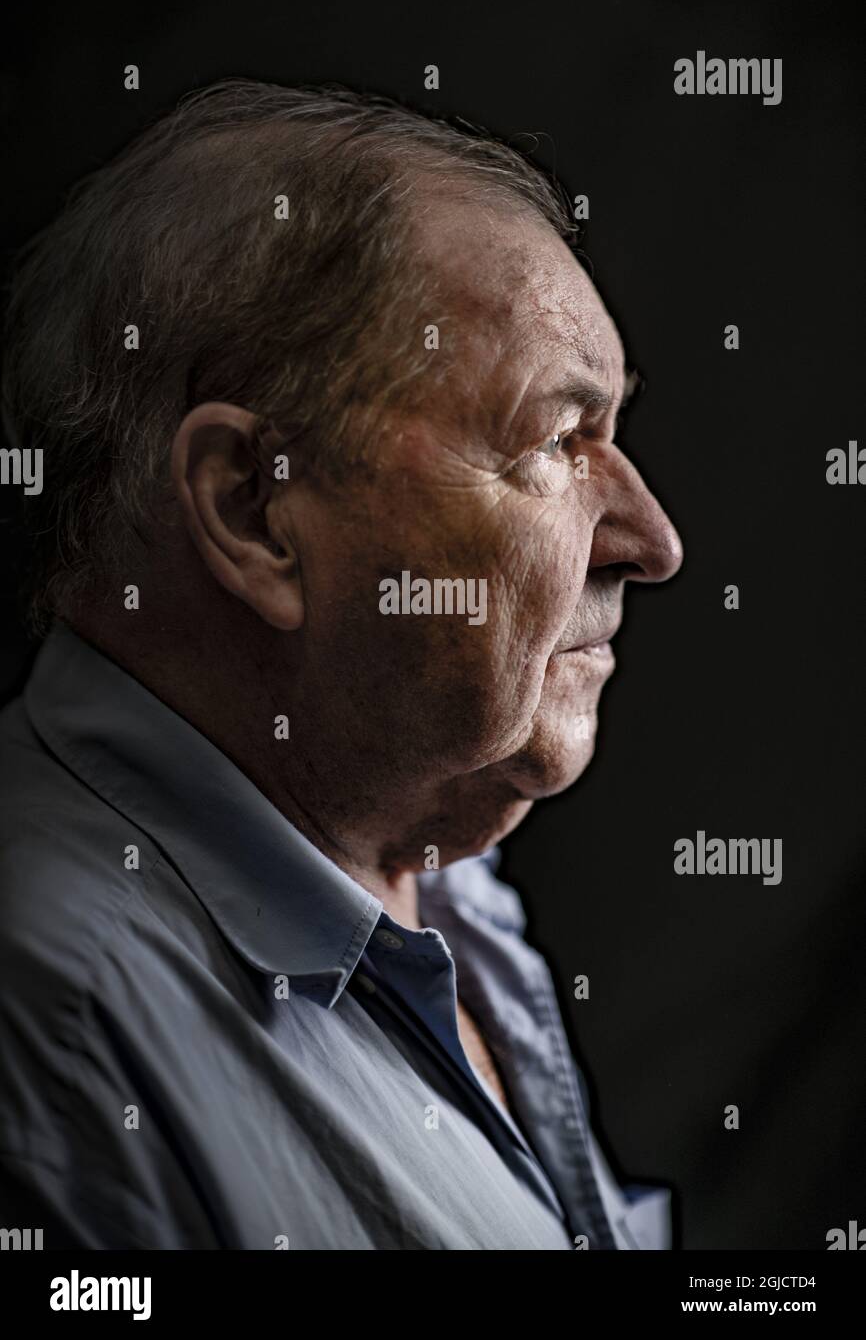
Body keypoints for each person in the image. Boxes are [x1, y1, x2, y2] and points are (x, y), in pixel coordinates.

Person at [0, 80, 682, 1249]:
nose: (651, 543)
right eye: (557, 444)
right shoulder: (55, 1032)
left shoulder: (429, 859)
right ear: (255, 509)